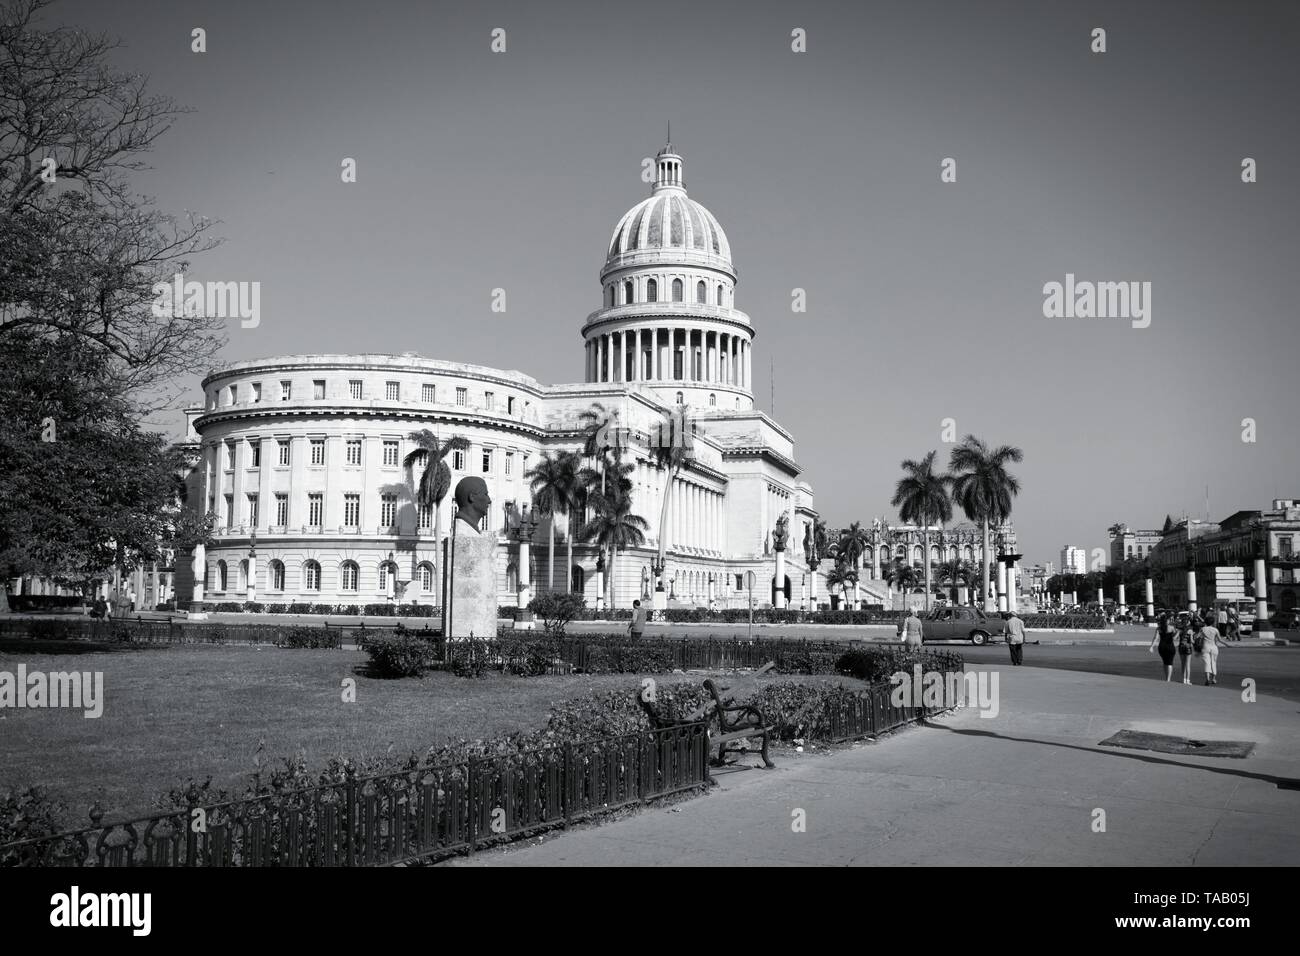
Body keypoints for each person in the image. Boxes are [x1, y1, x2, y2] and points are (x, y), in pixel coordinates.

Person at [1196, 617, 1227, 685]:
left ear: (1205, 622)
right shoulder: (1215, 629)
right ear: (1212, 622)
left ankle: (1207, 679)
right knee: (1213, 662)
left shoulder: (1203, 629)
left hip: (1205, 647)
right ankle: (1213, 678)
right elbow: (1220, 640)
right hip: (1214, 647)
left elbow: (1197, 637)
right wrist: (1227, 644)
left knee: (1207, 663)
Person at [1148, 611, 1176, 681]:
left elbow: (1155, 638)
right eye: (1169, 619)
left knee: (1165, 662)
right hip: (1170, 647)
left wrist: (1152, 646)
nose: (1170, 620)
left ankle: (1166, 677)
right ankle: (1168, 679)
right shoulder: (1171, 628)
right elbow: (1175, 637)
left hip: (1162, 647)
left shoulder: (1159, 628)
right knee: (1170, 663)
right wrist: (1178, 633)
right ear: (1167, 620)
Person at [1175, 610, 1195, 684]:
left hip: (1181, 647)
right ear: (1188, 622)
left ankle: (1183, 679)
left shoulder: (1179, 630)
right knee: (1188, 665)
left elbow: (1174, 638)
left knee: (1182, 664)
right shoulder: (1190, 630)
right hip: (1188, 647)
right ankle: (1188, 680)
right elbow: (1192, 641)